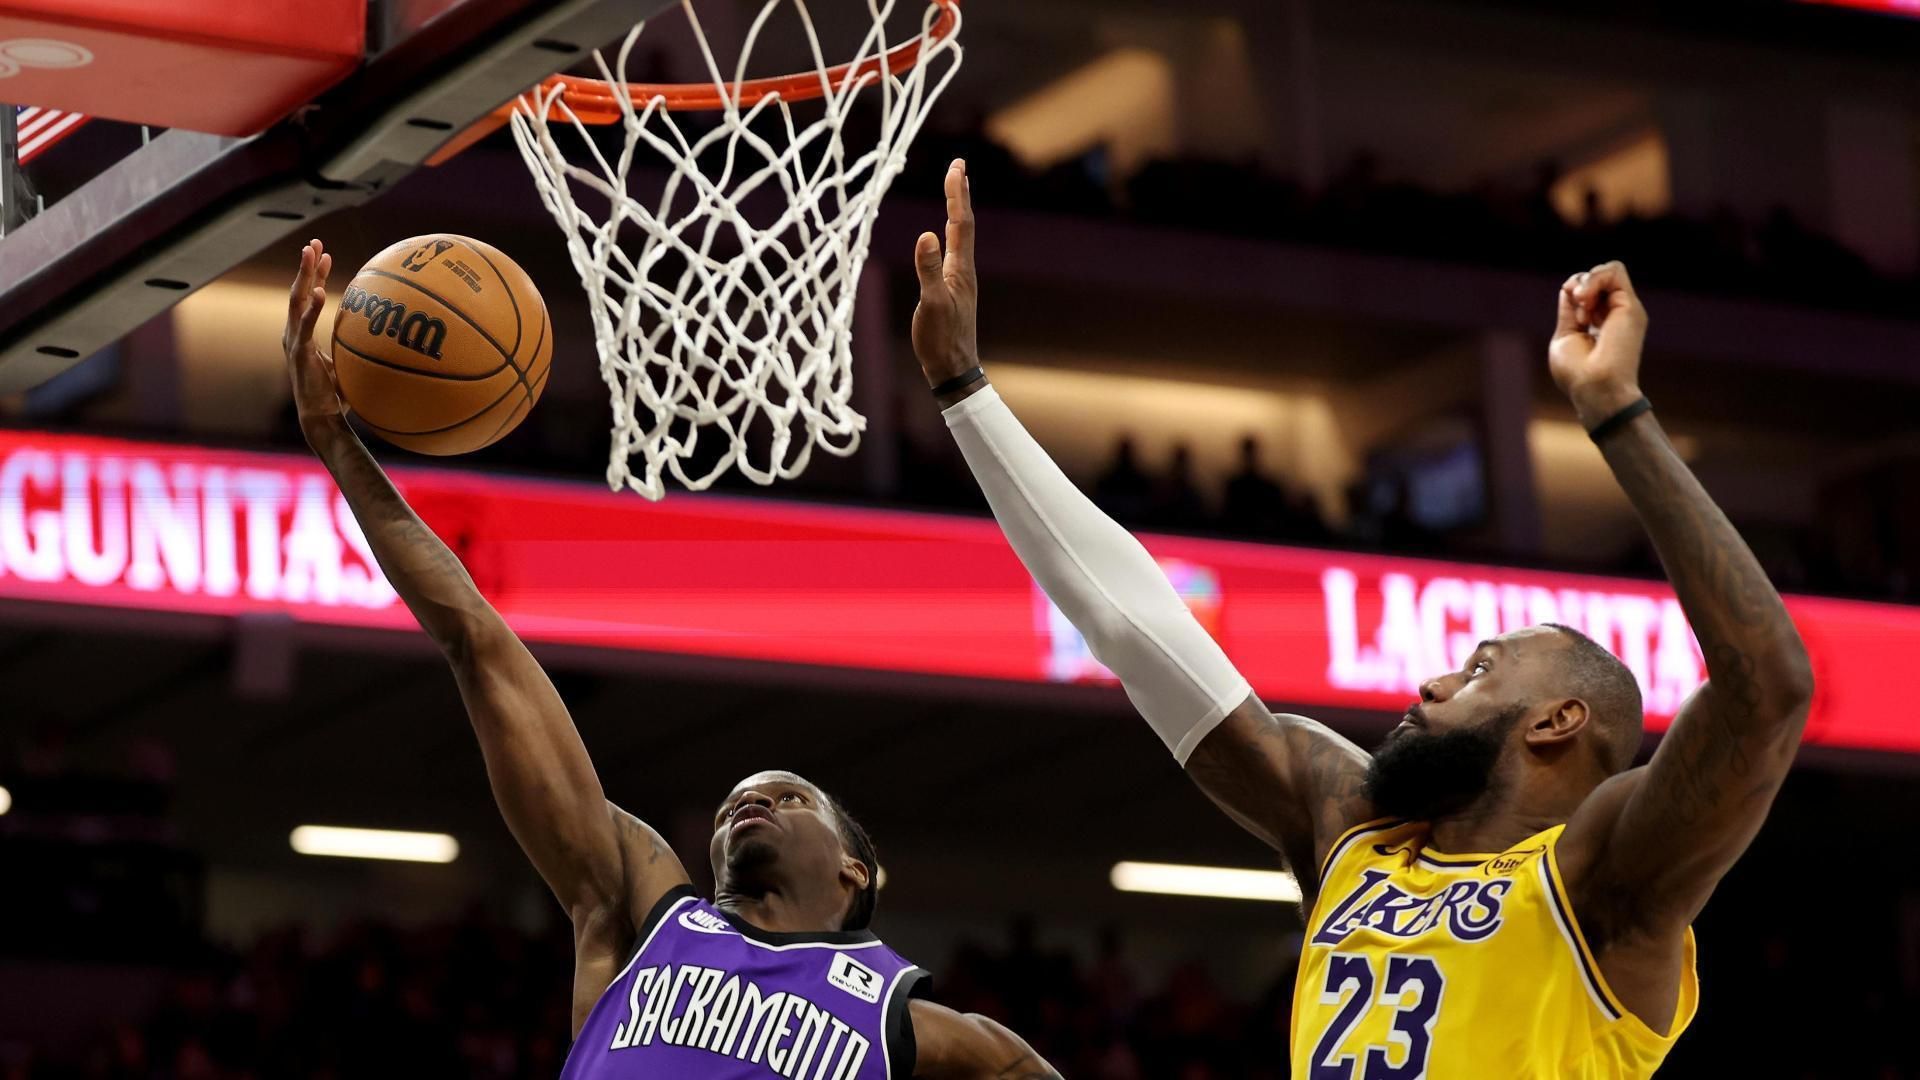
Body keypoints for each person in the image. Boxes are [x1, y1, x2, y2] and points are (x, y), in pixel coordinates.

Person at [910, 158, 1813, 1077]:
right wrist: (963, 394)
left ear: (1558, 720)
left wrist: (1617, 411)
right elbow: (1139, 630)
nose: (1432, 682)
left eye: (1481, 669)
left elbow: (1768, 688)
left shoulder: (1600, 879)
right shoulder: (1355, 834)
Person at [281, 239, 1060, 1080]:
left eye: (787, 797)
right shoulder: (640, 911)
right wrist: (335, 441)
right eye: (734, 804)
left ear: (853, 868)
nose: (746, 805)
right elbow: (476, 639)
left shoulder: (911, 1024)